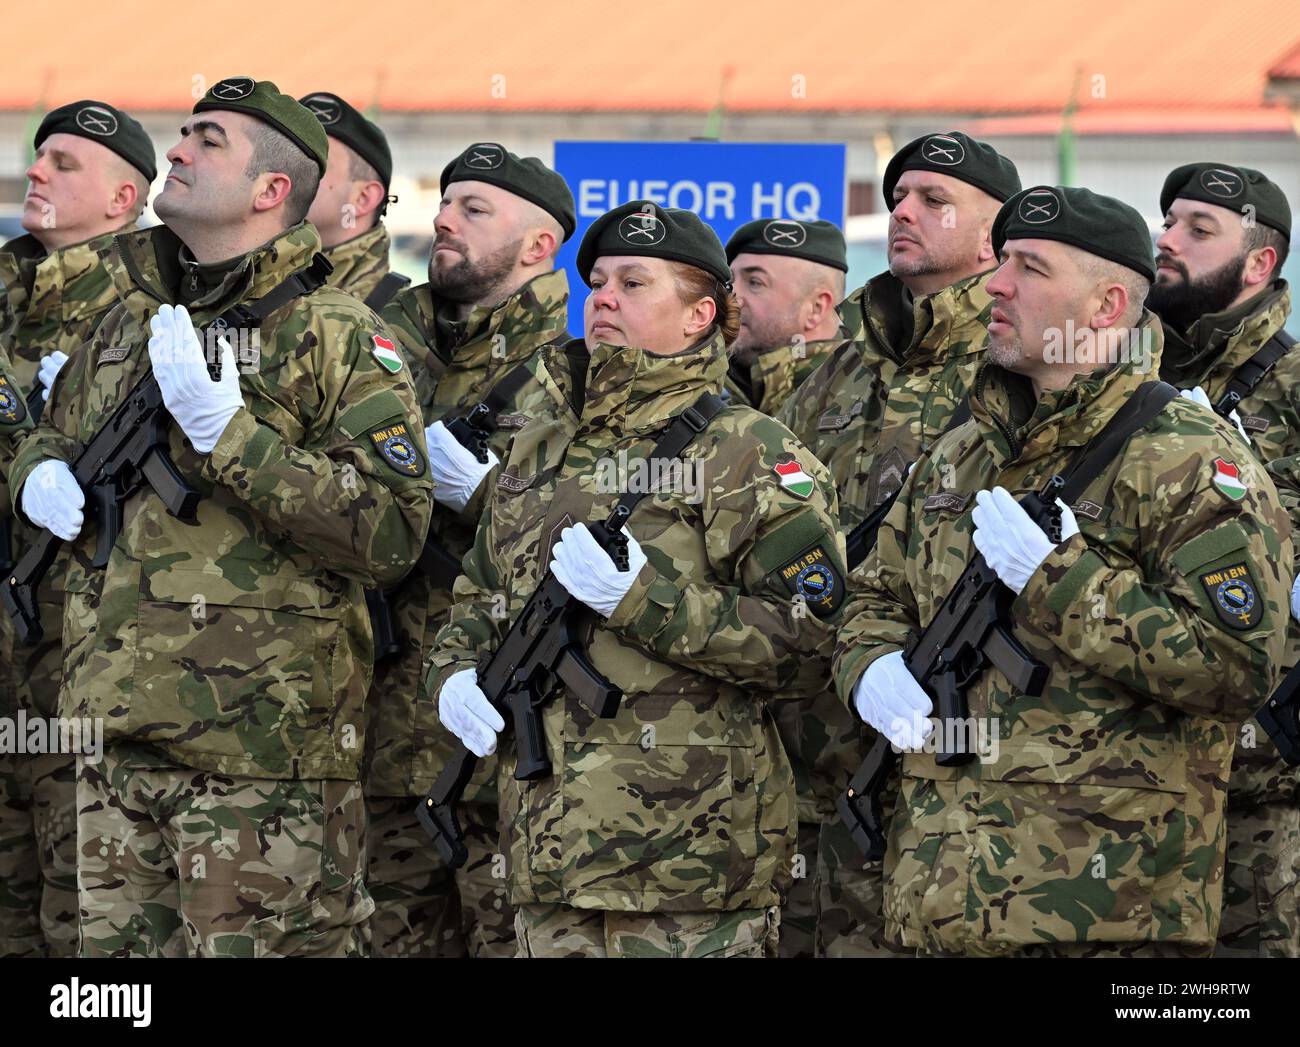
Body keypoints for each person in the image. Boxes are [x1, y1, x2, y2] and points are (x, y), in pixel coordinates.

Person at [8, 76, 432, 957]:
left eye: (208, 140)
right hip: (116, 738)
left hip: (259, 759)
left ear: (272, 190)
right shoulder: (127, 319)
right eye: (184, 133)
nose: (177, 151)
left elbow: (391, 533)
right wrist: (34, 467)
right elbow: (47, 430)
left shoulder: (337, 335)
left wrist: (232, 436)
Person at [832, 185, 1292, 956]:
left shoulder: (1188, 459)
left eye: (1031, 269)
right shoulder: (962, 451)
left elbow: (1240, 667)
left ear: (1108, 304)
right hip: (936, 906)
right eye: (1002, 261)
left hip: (1106, 917)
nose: (997, 285)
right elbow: (876, 592)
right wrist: (868, 664)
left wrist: (1062, 580)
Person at [425, 201, 847, 957]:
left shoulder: (746, 451)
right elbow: (478, 595)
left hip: (690, 870)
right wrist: (453, 673)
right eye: (596, 280)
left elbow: (812, 640)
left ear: (699, 316)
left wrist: (644, 601)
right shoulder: (539, 444)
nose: (603, 296)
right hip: (549, 858)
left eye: (634, 282)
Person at [775, 131, 1020, 956]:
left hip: (960, 758)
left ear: (994, 237)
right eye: (899, 198)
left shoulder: (1020, 361)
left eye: (934, 200)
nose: (903, 213)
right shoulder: (834, 358)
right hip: (815, 742)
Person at [365, 143, 575, 957]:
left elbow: (628, 541)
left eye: (474, 209)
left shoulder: (580, 368)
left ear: (538, 247)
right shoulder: (384, 347)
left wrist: (490, 498)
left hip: (507, 756)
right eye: (445, 202)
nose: (444, 218)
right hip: (381, 741)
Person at [0, 99, 155, 958]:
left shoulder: (142, 313)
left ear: (124, 197)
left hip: (81, 676)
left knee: (89, 926)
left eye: (66, 162)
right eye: (39, 154)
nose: (39, 170)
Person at [1150, 162, 1299, 958]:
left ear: (1259, 263)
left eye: (1197, 229)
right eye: (1168, 220)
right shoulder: (1124, 379)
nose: (1166, 241)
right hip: (1129, 770)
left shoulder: (1294, 385)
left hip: (1258, 779)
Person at [724, 218, 847, 415]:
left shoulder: (863, 405)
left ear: (816, 308)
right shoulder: (718, 408)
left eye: (755, 282)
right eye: (730, 283)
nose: (732, 298)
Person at [299, 91, 408, 309]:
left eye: (312, 162)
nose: (286, 172)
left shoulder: (400, 319)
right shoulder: (246, 283)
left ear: (363, 198)